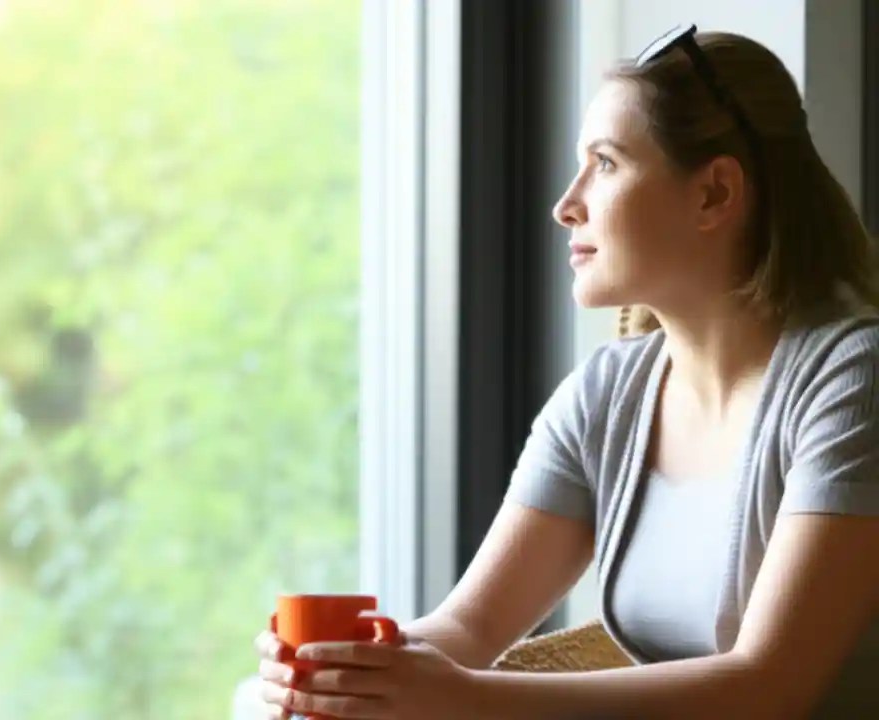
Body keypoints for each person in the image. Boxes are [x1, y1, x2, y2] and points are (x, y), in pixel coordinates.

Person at [253, 26, 879, 719]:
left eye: (605, 164)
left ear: (714, 193)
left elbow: (769, 687)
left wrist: (461, 698)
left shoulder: (853, 381)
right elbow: (466, 629)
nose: (566, 204)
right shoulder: (607, 394)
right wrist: (341, 668)